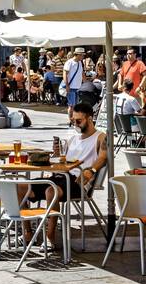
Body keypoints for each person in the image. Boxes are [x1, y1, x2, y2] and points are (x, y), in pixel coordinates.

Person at [24, 102, 109, 253]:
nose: (75, 124)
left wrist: (92, 170)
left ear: (89, 119)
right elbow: (62, 161)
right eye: (73, 121)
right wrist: (56, 154)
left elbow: (103, 157)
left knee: (51, 191)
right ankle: (28, 233)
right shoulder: (72, 139)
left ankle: (49, 238)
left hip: (79, 182)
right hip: (60, 177)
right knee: (21, 187)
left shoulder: (100, 137)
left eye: (78, 121)